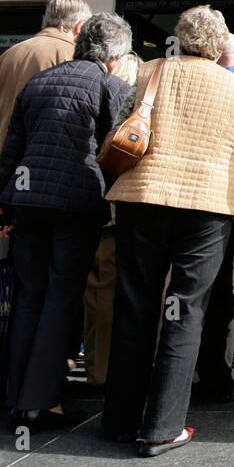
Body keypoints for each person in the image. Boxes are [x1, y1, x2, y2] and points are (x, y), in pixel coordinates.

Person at [102, 6, 234, 456]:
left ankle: (119, 421)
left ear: (180, 37)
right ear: (219, 42)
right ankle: (162, 426)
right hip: (207, 207)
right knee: (186, 310)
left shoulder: (150, 70)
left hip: (143, 198)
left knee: (134, 306)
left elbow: (122, 128)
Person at [0, 13, 132, 430]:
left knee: (30, 296)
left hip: (28, 201)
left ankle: (18, 396)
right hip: (77, 203)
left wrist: (3, 208)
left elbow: (12, 148)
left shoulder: (40, 82)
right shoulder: (111, 86)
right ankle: (43, 401)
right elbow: (117, 147)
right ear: (115, 53)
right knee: (62, 296)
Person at [0, 0, 90, 410]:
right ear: (78, 26)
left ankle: (0, 381)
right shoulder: (75, 58)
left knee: (18, 291)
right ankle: (44, 390)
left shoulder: (9, 56)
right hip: (55, 194)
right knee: (56, 292)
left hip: (8, 193)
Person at [80, 51, 142, 389]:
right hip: (127, 208)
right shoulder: (128, 101)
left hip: (103, 208)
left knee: (100, 290)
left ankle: (100, 369)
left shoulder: (99, 93)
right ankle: (127, 368)